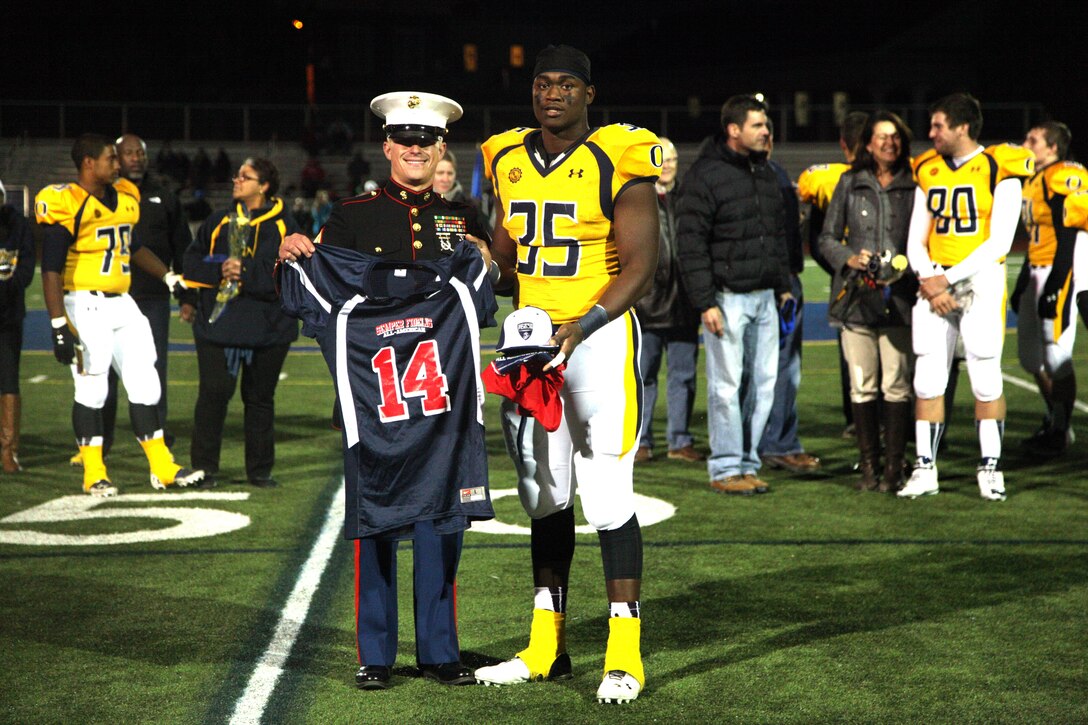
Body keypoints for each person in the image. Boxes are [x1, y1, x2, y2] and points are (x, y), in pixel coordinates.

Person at [277, 91, 494, 690]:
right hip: (378, 401)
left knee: (442, 520)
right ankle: (375, 654)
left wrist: (486, 264)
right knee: (374, 519)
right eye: (407, 141)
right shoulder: (351, 215)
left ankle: (439, 652)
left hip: (442, 399)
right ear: (388, 147)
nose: (417, 150)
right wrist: (293, 253)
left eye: (428, 141)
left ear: (442, 148)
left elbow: (484, 300)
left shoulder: (461, 220)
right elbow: (318, 282)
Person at [471, 44, 660, 705]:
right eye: (542, 83)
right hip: (530, 345)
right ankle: (545, 645)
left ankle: (624, 653)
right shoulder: (504, 156)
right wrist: (468, 260)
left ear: (588, 93)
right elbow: (504, 250)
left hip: (598, 341)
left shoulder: (618, 154)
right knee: (543, 495)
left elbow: (641, 263)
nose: (552, 93)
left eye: (566, 84)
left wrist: (582, 323)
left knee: (607, 491)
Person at [35, 133, 203, 496]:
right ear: (88, 163)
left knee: (146, 381)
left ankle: (162, 467)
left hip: (123, 301)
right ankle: (94, 472)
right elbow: (50, 269)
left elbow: (132, 244)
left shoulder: (126, 194)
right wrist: (58, 324)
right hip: (84, 303)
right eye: (111, 158)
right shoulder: (66, 202)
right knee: (92, 388)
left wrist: (169, 276)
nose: (119, 164)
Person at [897, 93, 1033, 502]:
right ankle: (925, 469)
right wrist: (930, 277)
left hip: (980, 284)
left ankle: (990, 468)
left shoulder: (1000, 165)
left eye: (939, 125)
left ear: (962, 127)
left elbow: (1000, 242)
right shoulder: (927, 168)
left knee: (986, 378)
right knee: (927, 379)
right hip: (935, 283)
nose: (931, 132)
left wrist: (946, 279)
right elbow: (915, 238)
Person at [676, 94, 792, 496]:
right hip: (726, 299)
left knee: (763, 384)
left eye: (766, 125)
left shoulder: (765, 173)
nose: (766, 131)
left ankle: (747, 462)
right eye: (758, 125)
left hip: (764, 297)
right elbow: (690, 243)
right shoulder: (706, 175)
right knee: (726, 387)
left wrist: (783, 286)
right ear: (733, 130)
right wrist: (705, 301)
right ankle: (726, 467)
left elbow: (775, 235)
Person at [74, 134, 192, 465]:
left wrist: (183, 290)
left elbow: (179, 243)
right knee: (100, 374)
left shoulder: (163, 195)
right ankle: (99, 440)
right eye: (126, 153)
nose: (135, 158)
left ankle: (157, 436)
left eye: (140, 152)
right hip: (104, 296)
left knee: (151, 370)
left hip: (151, 296)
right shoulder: (100, 195)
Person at [182, 157, 300, 489]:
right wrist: (219, 271)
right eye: (237, 175)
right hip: (217, 322)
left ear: (263, 186)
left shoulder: (284, 224)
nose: (237, 180)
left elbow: (290, 275)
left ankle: (260, 470)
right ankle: (204, 467)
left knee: (260, 398)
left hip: (269, 326)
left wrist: (245, 274)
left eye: (245, 177)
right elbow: (191, 261)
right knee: (214, 394)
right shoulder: (218, 220)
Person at [818, 111, 918, 492]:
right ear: (869, 143)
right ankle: (869, 468)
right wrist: (849, 258)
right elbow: (826, 238)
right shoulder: (849, 182)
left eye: (895, 137)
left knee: (897, 385)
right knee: (863, 386)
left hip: (901, 300)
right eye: (881, 137)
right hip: (856, 299)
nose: (888, 143)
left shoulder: (915, 185)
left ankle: (894, 469)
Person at [1015, 121, 1086, 456]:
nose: (1026, 143)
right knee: (1030, 358)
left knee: (1056, 354)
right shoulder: (1032, 179)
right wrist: (1021, 283)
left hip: (1062, 271)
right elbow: (1033, 239)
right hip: (1034, 269)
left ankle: (1060, 427)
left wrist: (1057, 284)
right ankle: (1056, 420)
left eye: (1033, 139)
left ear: (1052, 147)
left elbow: (1069, 233)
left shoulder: (1064, 174)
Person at [633, 137, 702, 464]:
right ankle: (641, 440)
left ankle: (679, 440)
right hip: (647, 303)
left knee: (683, 376)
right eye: (661, 158)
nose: (668, 164)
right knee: (642, 378)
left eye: (672, 158)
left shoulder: (690, 198)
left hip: (685, 302)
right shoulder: (637, 198)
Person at [799, 111, 868, 438]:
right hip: (876, 277)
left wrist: (841, 268)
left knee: (852, 356)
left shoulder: (827, 179)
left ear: (843, 144)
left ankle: (857, 421)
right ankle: (876, 422)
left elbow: (817, 240)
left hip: (846, 278)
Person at [760, 120, 821, 475]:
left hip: (762, 283)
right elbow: (781, 237)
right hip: (773, 285)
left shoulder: (772, 174)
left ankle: (755, 445)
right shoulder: (774, 177)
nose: (766, 136)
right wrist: (784, 283)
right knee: (781, 368)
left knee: (761, 370)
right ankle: (778, 444)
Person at [0, 179, 35, 473]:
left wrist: (7, 286)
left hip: (8, 314)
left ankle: (8, 450)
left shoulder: (18, 226)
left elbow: (25, 269)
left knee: (9, 379)